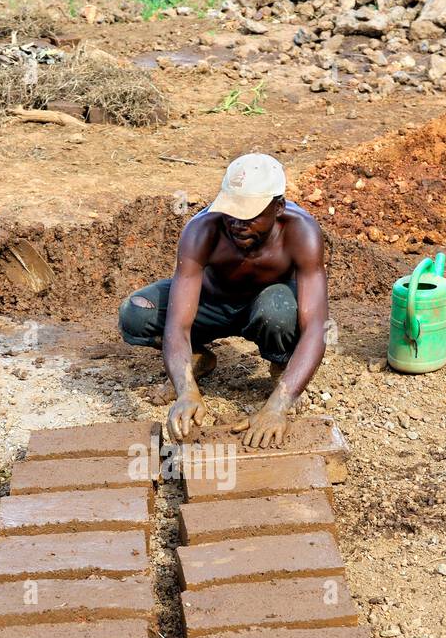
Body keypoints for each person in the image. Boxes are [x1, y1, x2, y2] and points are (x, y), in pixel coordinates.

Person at [118, 152, 328, 448]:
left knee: (278, 309)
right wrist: (185, 390)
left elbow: (316, 326)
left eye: (250, 215)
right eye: (232, 211)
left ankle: (282, 367)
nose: (238, 223)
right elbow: (178, 323)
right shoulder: (202, 229)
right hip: (212, 304)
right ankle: (196, 358)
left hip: (266, 309)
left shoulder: (301, 232)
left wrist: (277, 407)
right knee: (136, 312)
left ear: (278, 206)